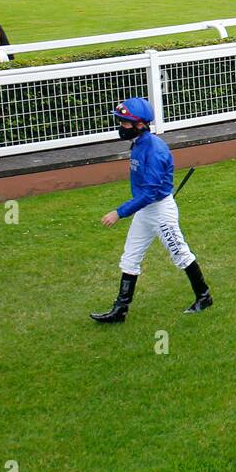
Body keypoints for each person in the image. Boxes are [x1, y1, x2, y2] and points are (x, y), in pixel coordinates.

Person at [90, 98, 212, 323]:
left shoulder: (153, 150)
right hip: (146, 210)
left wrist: (119, 212)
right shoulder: (139, 142)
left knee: (180, 254)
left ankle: (204, 297)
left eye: (124, 122)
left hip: (159, 210)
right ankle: (120, 310)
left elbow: (150, 193)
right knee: (129, 258)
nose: (120, 127)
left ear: (139, 124)